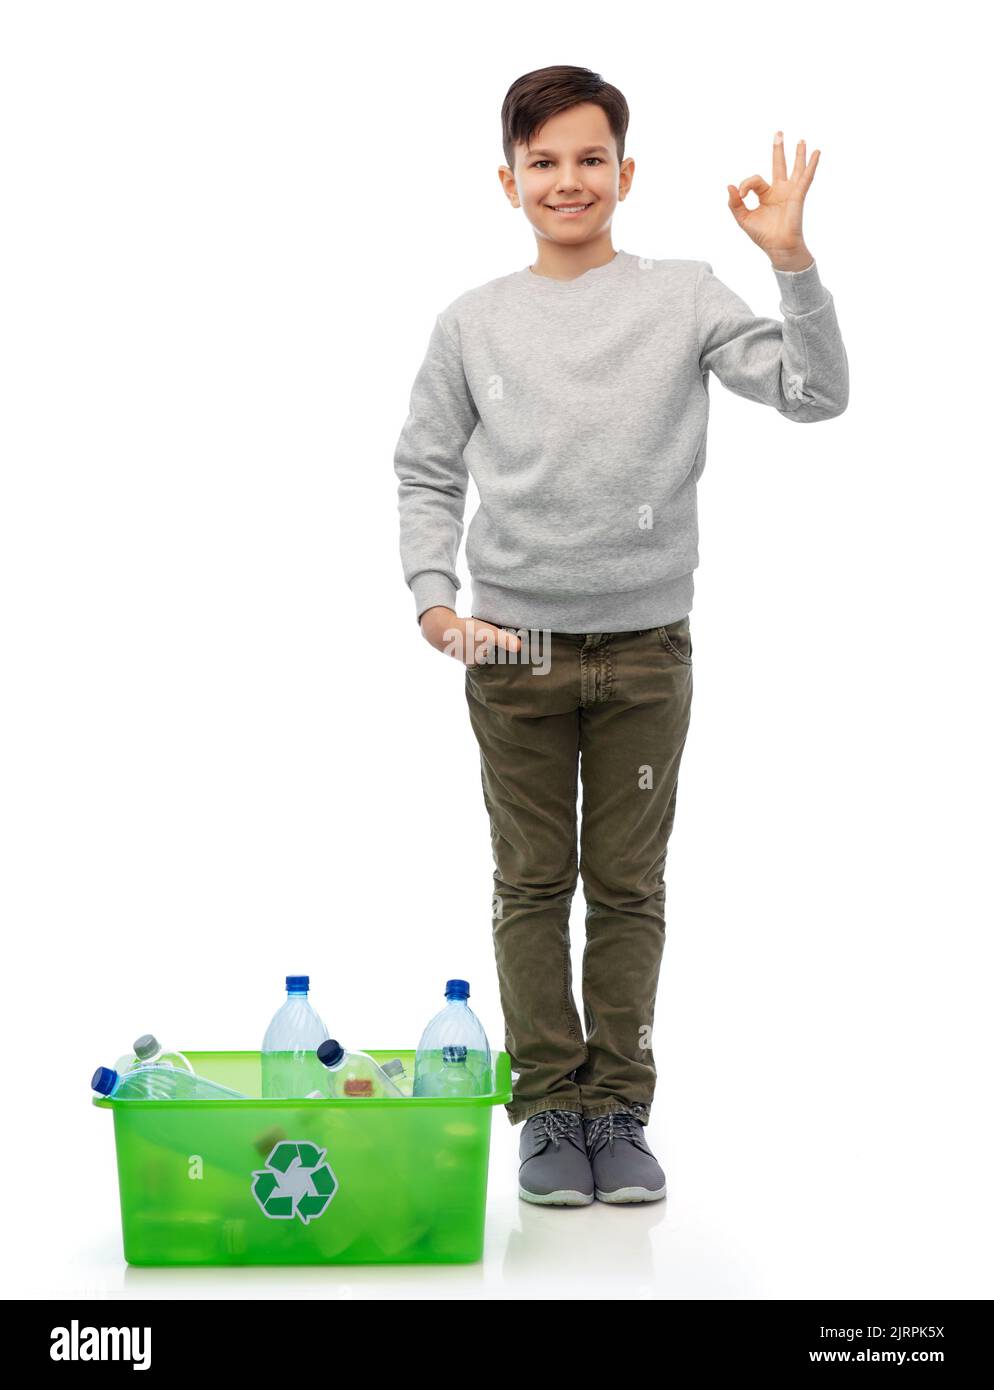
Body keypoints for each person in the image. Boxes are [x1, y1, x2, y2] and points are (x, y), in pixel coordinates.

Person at [392, 64, 849, 1206]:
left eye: (589, 158)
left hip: (646, 649)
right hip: (513, 654)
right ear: (508, 181)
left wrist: (788, 262)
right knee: (533, 883)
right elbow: (425, 467)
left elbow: (813, 393)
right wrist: (433, 597)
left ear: (625, 173)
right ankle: (549, 1110)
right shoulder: (473, 321)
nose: (568, 180)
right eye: (543, 161)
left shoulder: (684, 294)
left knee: (629, 886)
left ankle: (619, 1112)